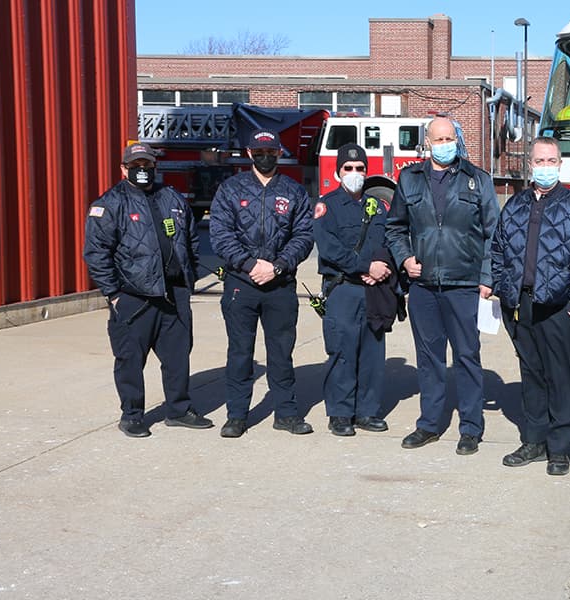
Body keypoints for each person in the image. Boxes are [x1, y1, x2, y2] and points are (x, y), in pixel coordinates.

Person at [384, 116, 499, 455]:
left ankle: (470, 428)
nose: (446, 144)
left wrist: (487, 277)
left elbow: (494, 233)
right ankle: (429, 424)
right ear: (428, 143)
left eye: (450, 138)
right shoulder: (409, 179)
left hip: (464, 285)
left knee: (467, 356)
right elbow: (395, 227)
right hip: (424, 287)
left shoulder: (477, 179)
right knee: (429, 358)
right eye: (439, 139)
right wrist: (405, 259)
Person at [490, 137, 570, 476]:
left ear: (560, 164)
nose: (545, 167)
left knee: (561, 378)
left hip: (557, 308)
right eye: (539, 161)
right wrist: (502, 289)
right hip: (520, 304)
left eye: (551, 161)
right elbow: (498, 250)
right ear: (530, 164)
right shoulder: (515, 205)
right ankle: (534, 440)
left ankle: (560, 449)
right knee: (531, 374)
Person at [84, 143, 213, 437]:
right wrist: (113, 293)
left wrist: (189, 280)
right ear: (124, 169)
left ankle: (179, 410)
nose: (142, 170)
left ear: (155, 167)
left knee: (178, 357)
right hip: (134, 297)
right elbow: (96, 253)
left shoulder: (172, 198)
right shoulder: (109, 204)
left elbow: (191, 240)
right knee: (130, 360)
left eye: (147, 165)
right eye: (135, 165)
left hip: (174, 294)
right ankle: (132, 415)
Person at [209, 129, 315, 438]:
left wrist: (278, 266)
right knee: (240, 353)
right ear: (249, 153)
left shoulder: (293, 191)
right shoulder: (231, 189)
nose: (264, 157)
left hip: (280, 285)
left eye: (270, 152)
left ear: (280, 153)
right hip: (241, 284)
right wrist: (250, 264)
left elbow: (304, 236)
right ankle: (236, 416)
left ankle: (286, 413)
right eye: (259, 152)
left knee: (281, 353)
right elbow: (221, 234)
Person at [313, 143, 401, 436]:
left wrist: (382, 266)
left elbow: (389, 240)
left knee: (373, 354)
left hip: (374, 290)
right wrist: (366, 267)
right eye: (348, 168)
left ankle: (367, 411)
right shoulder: (327, 205)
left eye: (360, 168)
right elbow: (329, 249)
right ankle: (340, 413)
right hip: (343, 288)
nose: (354, 173)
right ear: (338, 171)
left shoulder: (377, 206)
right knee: (342, 352)